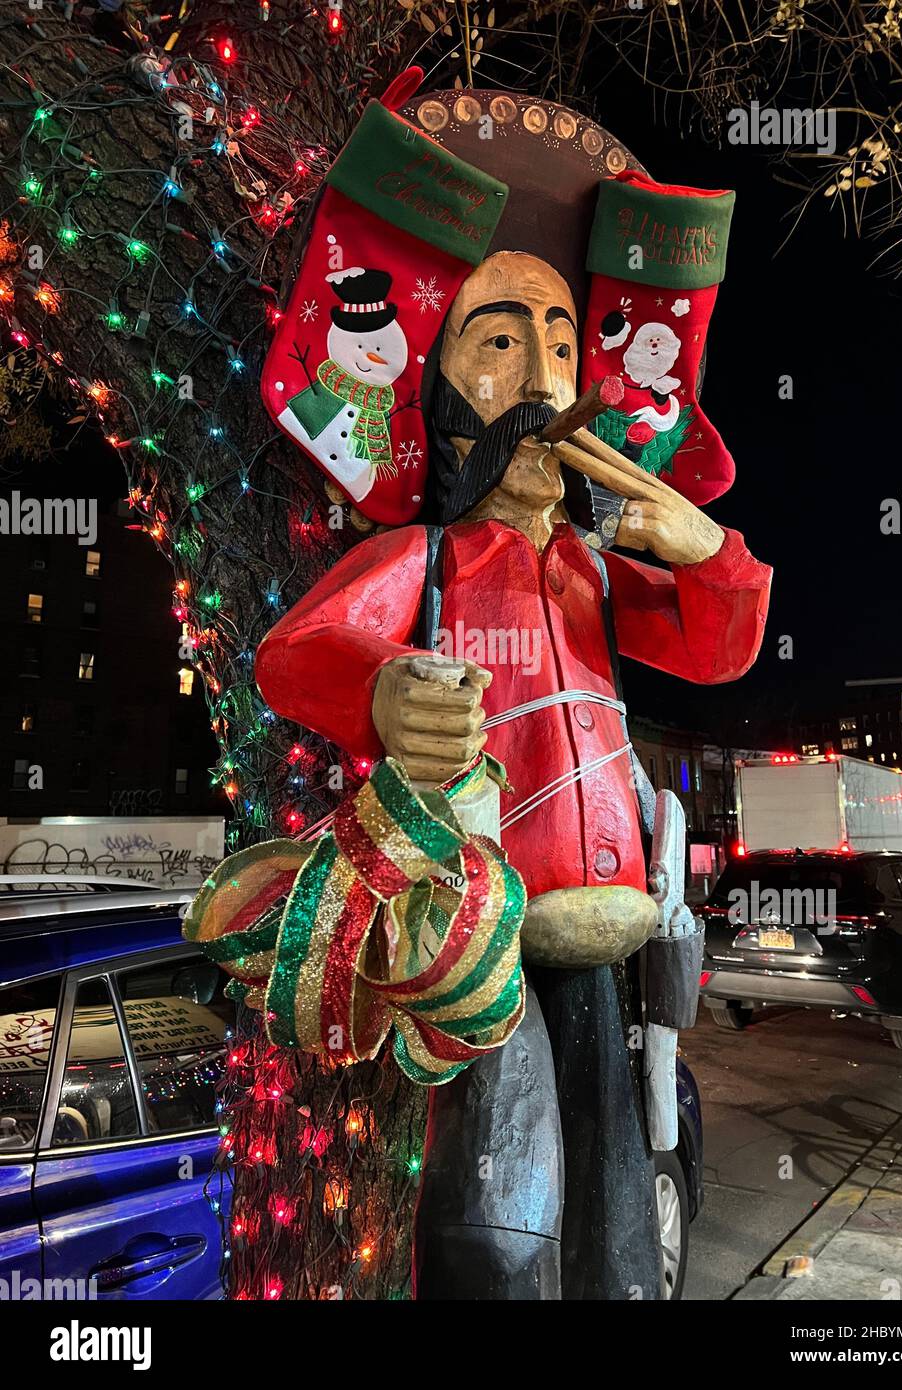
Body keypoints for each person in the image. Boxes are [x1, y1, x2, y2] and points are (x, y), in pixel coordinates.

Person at [255, 249, 772, 1299]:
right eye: (499, 339)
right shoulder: (434, 560)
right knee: (500, 1195)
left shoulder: (597, 576)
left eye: (562, 343)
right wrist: (388, 686)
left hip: (602, 930)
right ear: (441, 399)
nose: (545, 378)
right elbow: (299, 650)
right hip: (479, 939)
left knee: (615, 1183)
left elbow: (720, 648)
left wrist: (705, 545)